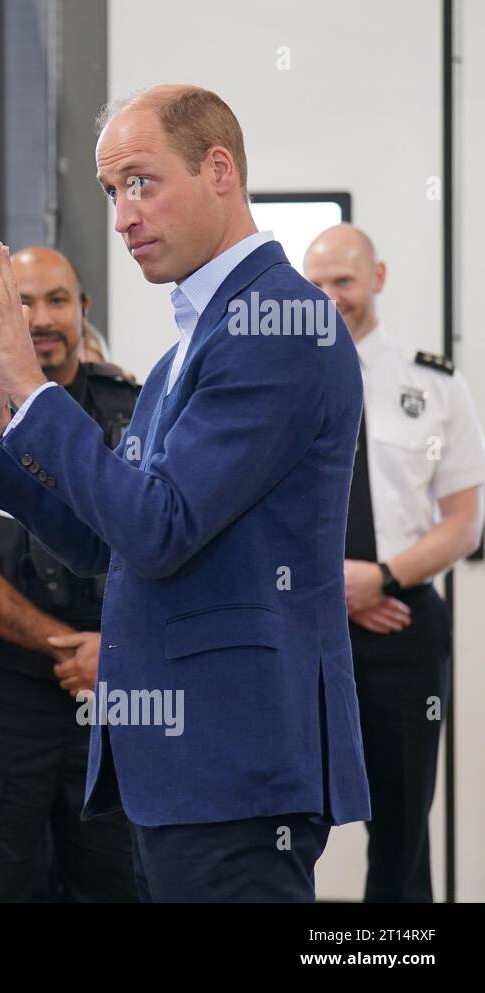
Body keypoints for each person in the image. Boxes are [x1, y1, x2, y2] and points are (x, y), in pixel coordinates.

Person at [0, 84, 371, 902]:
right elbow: (106, 538)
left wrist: (38, 393)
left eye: (141, 182)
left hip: (233, 761)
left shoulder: (280, 322)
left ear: (219, 169)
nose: (122, 215)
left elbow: (160, 526)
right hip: (175, 767)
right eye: (109, 192)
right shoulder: (183, 351)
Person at [0, 246, 139, 902]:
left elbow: (162, 545)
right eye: (21, 303)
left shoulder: (132, 410)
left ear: (83, 310)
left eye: (57, 300)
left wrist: (113, 652)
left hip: (111, 706)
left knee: (119, 882)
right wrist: (62, 644)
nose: (41, 318)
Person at [304, 223, 485, 902]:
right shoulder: (277, 381)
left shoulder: (433, 383)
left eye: (343, 281)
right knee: (284, 819)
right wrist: (332, 590)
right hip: (303, 627)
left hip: (401, 623)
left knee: (403, 826)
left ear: (376, 279)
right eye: (315, 283)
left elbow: (466, 520)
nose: (329, 296)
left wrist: (379, 577)